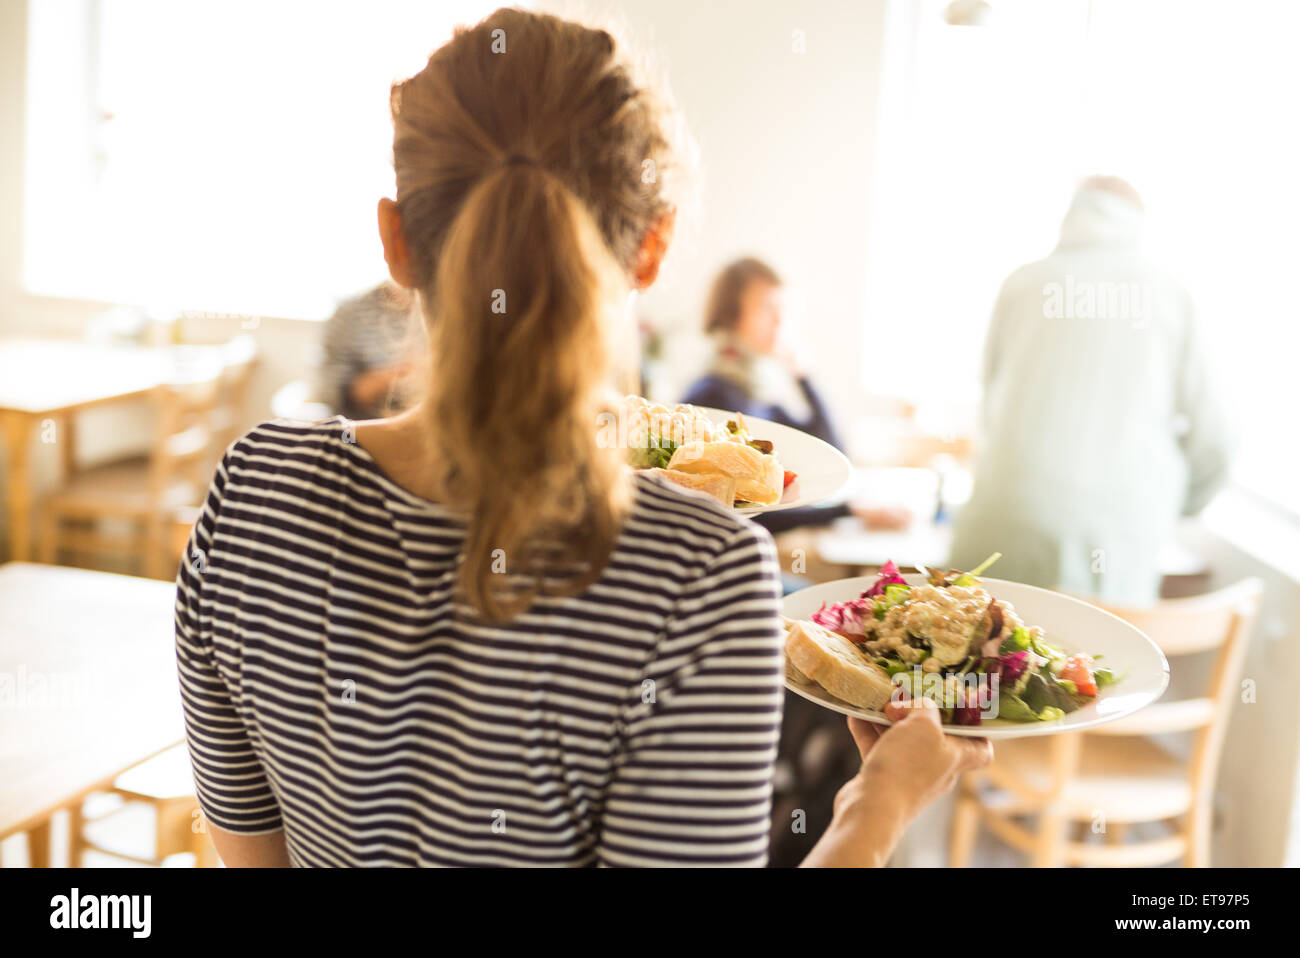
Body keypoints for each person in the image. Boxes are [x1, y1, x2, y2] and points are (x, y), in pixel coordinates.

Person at [174, 7, 988, 868]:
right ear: (653, 250)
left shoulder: (249, 494)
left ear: (396, 242)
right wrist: (878, 805)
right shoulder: (702, 581)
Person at [949, 176, 1234, 604]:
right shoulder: (1169, 295)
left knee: (981, 658)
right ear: (1138, 222)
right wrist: (1177, 507)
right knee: (1100, 664)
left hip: (1001, 521)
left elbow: (991, 407)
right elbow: (1216, 438)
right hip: (1116, 534)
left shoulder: (1023, 284)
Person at [316, 279, 422, 420]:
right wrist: (400, 374)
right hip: (365, 426)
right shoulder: (351, 313)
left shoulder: (454, 309)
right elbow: (332, 394)